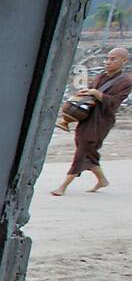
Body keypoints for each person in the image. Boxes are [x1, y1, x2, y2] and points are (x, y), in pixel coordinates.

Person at [52, 46, 131, 196]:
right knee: (88, 150)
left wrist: (98, 94)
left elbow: (115, 103)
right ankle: (102, 180)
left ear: (124, 61)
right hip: (88, 118)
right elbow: (89, 94)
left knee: (83, 150)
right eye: (107, 58)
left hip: (101, 121)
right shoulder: (100, 77)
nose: (108, 62)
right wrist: (85, 93)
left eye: (113, 59)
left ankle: (63, 186)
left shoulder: (125, 81)